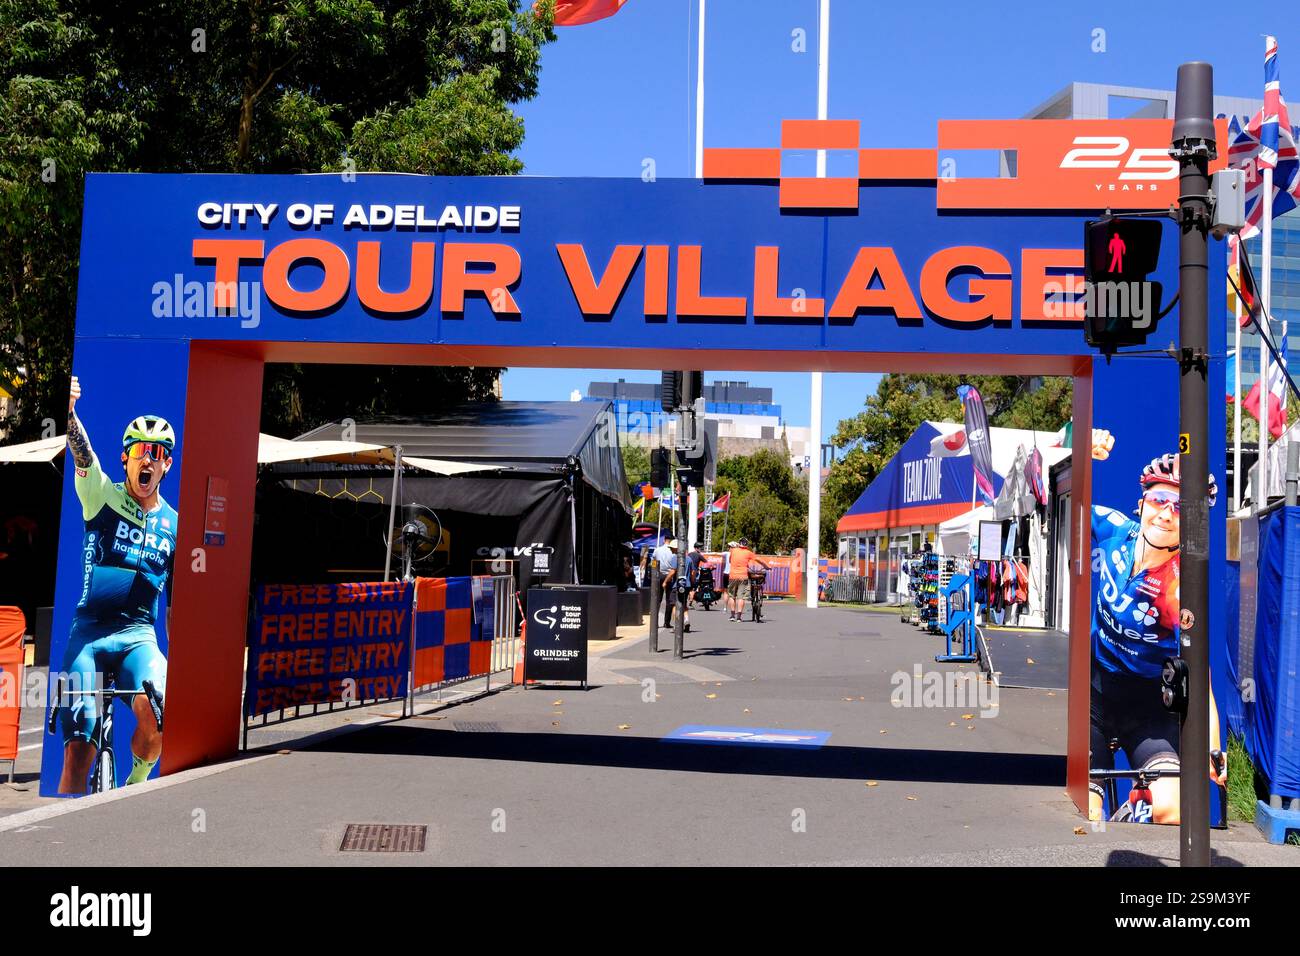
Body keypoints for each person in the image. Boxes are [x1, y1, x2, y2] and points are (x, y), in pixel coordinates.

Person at [1087, 431, 1225, 825]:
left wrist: (1214, 748)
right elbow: (1060, 502)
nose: (1166, 513)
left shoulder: (1180, 589)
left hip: (1147, 709)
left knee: (1173, 807)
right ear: (1141, 502)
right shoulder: (1114, 530)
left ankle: (1128, 819)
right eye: (1159, 499)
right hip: (1093, 698)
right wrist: (1083, 452)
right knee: (1085, 810)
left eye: (1181, 507)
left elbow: (1199, 678)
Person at [57, 376, 176, 794]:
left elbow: (176, 603)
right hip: (89, 634)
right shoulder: (101, 495)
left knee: (159, 708)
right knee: (79, 741)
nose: (148, 459)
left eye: (157, 453)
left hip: (138, 638)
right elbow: (82, 455)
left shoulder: (173, 525)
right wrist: (68, 413)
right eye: (140, 452)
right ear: (125, 459)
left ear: (166, 465)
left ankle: (134, 784)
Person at [725, 537, 767, 622]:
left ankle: (732, 615)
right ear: (746, 545)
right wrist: (767, 566)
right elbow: (758, 560)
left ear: (739, 543)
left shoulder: (733, 551)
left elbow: (730, 561)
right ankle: (739, 617)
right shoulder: (749, 553)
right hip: (743, 577)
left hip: (733, 576)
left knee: (732, 596)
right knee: (741, 597)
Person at [654, 538, 679, 629]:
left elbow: (653, 561)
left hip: (659, 575)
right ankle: (666, 622)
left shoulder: (657, 550)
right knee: (669, 600)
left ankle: (655, 622)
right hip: (670, 576)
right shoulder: (673, 553)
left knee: (657, 599)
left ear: (664, 540)